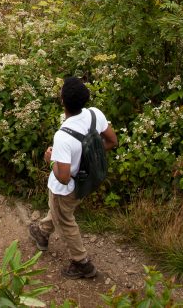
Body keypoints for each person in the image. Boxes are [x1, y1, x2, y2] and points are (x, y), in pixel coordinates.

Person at [29, 76, 118, 279]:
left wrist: (50, 160)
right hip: (87, 181)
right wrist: (89, 156)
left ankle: (82, 263)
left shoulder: (63, 136)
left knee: (66, 219)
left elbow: (62, 177)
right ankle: (42, 233)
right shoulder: (95, 114)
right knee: (60, 211)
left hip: (66, 189)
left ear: (63, 101)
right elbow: (112, 141)